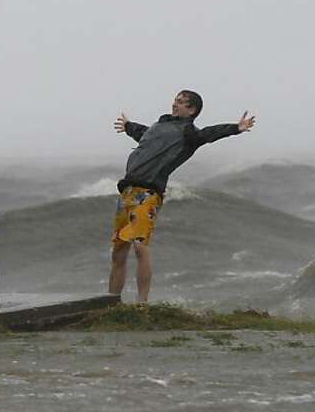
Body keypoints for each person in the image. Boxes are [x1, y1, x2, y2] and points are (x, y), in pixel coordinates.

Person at [109, 90, 255, 303]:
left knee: (140, 247)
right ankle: (111, 301)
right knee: (118, 251)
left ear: (191, 109)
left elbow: (207, 134)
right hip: (127, 192)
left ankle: (141, 304)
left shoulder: (188, 133)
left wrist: (235, 128)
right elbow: (146, 134)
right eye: (175, 100)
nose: (174, 104)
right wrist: (129, 127)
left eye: (180, 102)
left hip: (148, 193)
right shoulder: (160, 126)